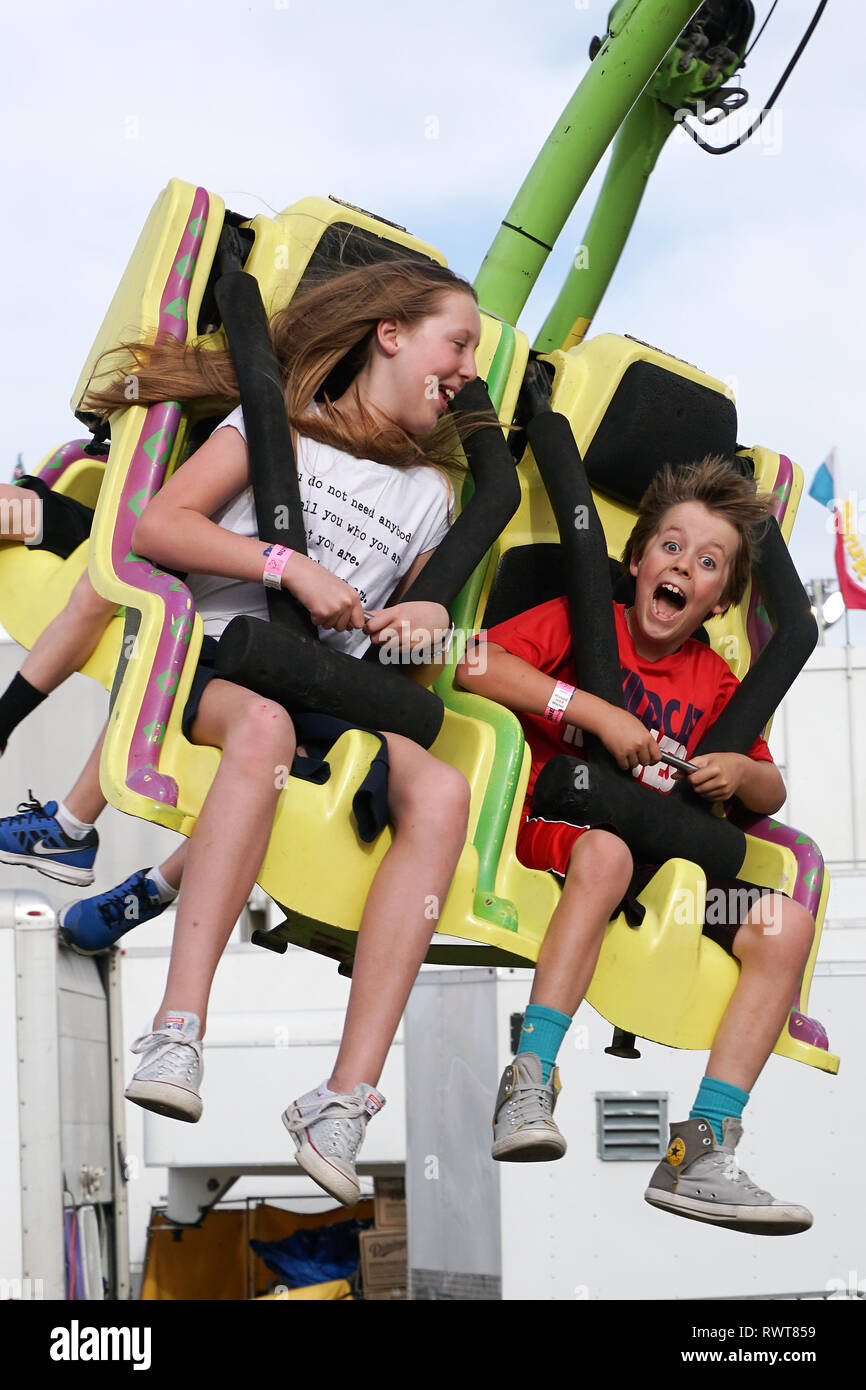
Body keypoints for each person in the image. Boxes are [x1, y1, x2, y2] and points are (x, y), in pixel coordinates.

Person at [85, 258, 479, 1206]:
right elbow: (155, 527)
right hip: (226, 660)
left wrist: (426, 626)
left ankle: (343, 1098)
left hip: (334, 686)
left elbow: (415, 664)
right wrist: (284, 565)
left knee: (444, 787)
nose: (468, 369)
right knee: (259, 728)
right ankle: (179, 1030)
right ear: (390, 333)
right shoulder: (274, 435)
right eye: (456, 343)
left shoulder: (434, 496)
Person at [455, 456, 816, 1235]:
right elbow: (472, 660)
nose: (684, 565)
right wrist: (587, 707)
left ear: (718, 599)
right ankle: (530, 1078)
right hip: (564, 831)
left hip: (670, 871)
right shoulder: (584, 623)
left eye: (708, 561)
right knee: (609, 855)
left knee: (787, 926)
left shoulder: (716, 681)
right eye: (673, 548)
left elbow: (771, 791)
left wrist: (737, 773)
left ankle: (703, 1149)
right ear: (637, 561)